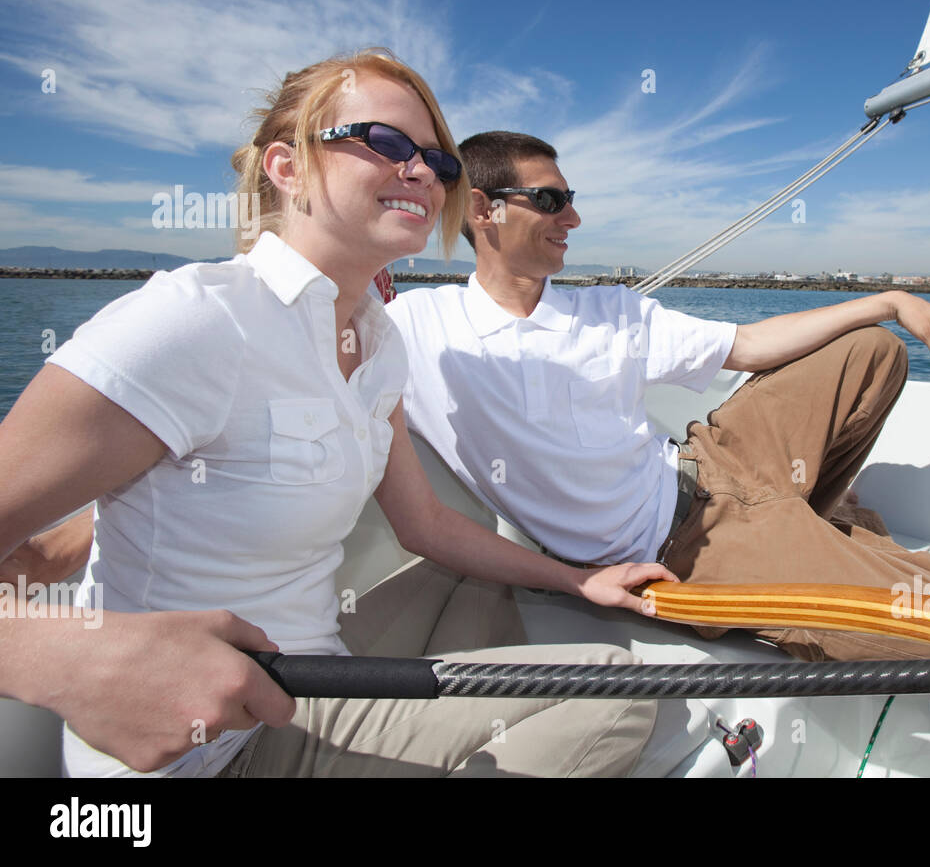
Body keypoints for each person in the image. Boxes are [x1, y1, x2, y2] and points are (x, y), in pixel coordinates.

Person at [0, 54, 671, 777]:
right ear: (286, 168)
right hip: (211, 751)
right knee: (613, 688)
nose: (421, 172)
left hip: (309, 671)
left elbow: (427, 526)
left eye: (438, 159)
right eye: (385, 142)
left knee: (474, 581)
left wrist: (580, 580)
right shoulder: (194, 322)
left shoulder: (378, 342)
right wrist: (65, 655)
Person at [385, 131, 930, 662]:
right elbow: (313, 296)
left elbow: (750, 346)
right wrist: (576, 582)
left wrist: (891, 304)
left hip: (709, 458)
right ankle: (820, 533)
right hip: (685, 544)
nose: (572, 219)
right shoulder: (414, 329)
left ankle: (809, 517)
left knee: (872, 350)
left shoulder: (608, 308)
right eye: (550, 201)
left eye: (571, 201)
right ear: (481, 210)